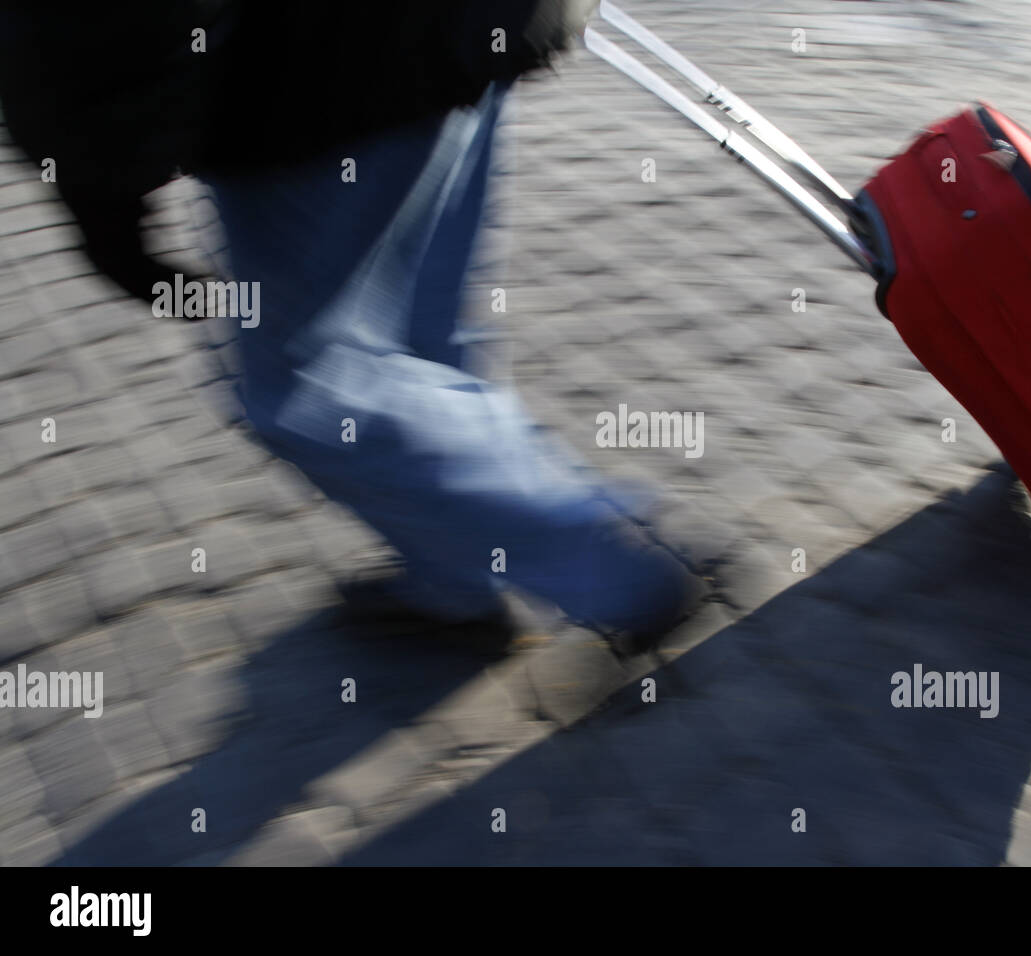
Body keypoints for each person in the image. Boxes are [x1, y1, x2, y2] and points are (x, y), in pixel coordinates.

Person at [0, 1, 701, 652]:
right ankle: (459, 575)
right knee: (418, 338)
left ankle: (615, 565)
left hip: (316, 75)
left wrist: (98, 185)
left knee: (306, 386)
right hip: (448, 28)